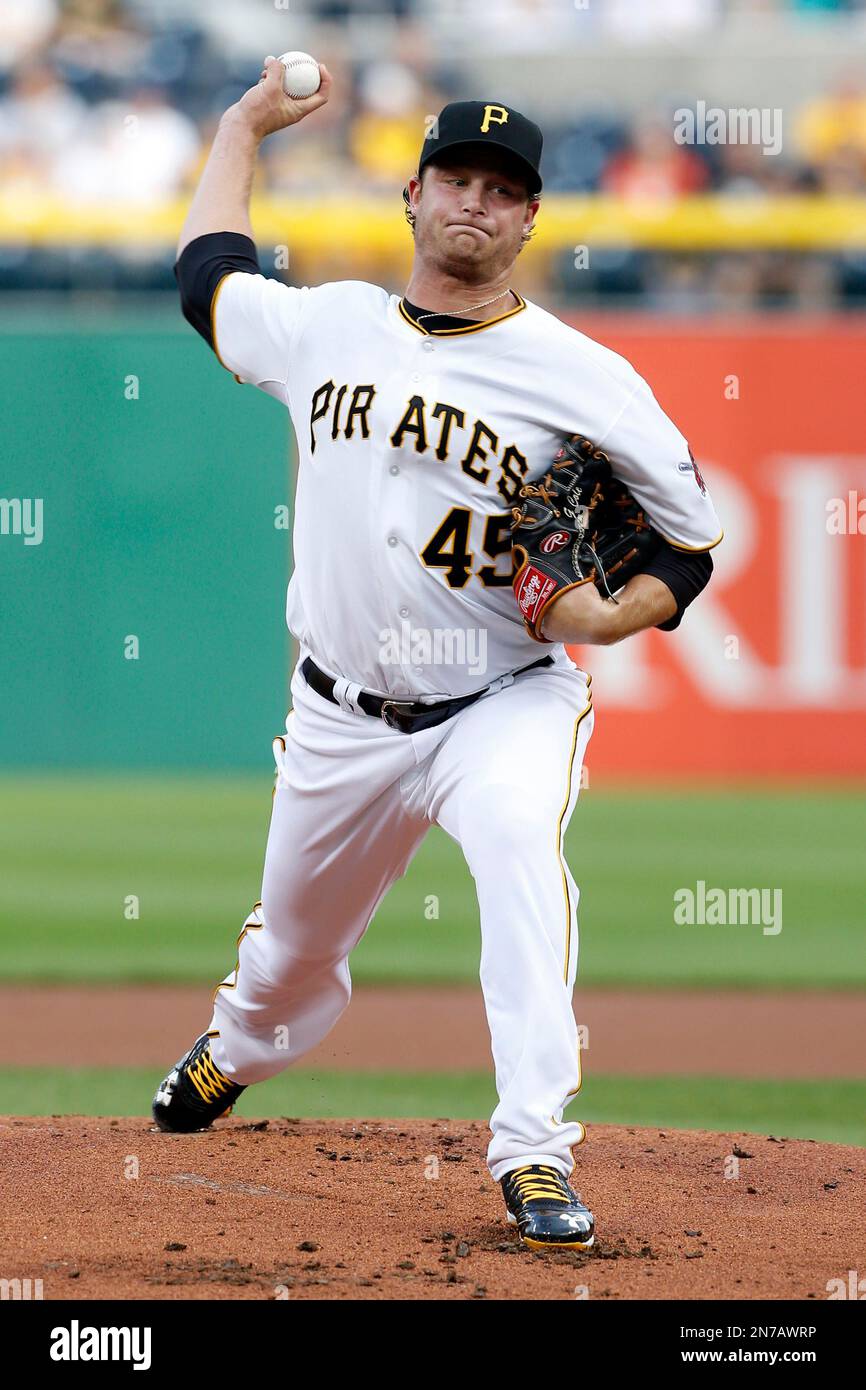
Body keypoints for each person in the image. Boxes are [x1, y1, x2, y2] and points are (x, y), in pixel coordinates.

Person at [152, 58, 722, 1251]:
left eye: (502, 187)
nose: (476, 198)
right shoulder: (326, 324)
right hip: (339, 718)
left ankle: (532, 1149)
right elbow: (203, 272)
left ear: (528, 217)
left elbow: (688, 540)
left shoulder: (586, 379)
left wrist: (617, 619)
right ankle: (241, 1044)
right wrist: (240, 124)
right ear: (411, 194)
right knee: (291, 960)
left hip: (500, 700)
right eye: (456, 175)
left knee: (519, 844)